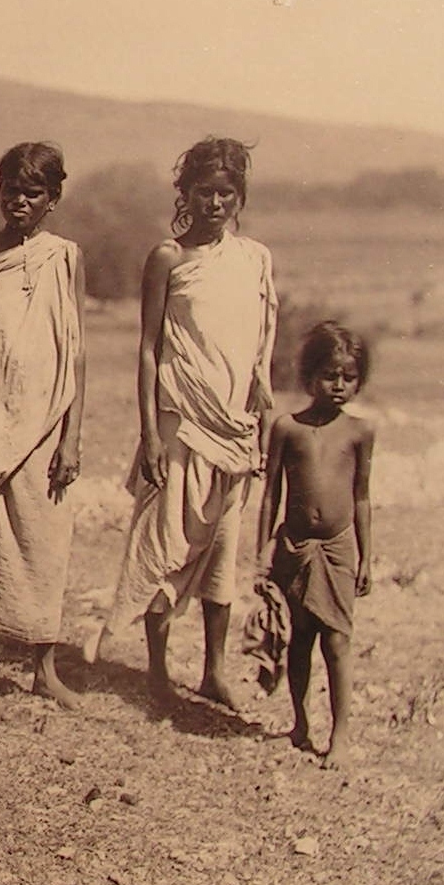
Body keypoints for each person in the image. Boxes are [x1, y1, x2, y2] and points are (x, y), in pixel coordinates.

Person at [89, 137, 276, 711]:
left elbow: (260, 353)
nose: (215, 203)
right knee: (164, 545)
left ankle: (215, 672)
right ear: (185, 194)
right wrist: (149, 433)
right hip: (179, 426)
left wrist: (260, 424)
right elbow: (148, 349)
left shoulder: (254, 259)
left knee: (223, 552)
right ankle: (157, 673)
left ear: (238, 197)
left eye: (226, 192)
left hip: (235, 428)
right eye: (204, 192)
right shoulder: (168, 257)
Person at [0, 143, 86, 719]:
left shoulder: (68, 258)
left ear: (52, 198)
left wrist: (72, 436)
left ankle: (43, 668)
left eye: (33, 192)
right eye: (11, 188)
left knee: (46, 544)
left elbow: (76, 351)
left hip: (47, 426)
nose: (20, 201)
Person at [256, 322, 374, 768]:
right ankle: (301, 722)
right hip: (295, 547)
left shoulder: (361, 431)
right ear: (308, 377)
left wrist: (365, 558)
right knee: (300, 638)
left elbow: (362, 497)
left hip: (338, 549)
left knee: (338, 642)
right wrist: (261, 555)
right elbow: (270, 494)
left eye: (348, 376)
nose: (338, 385)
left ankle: (340, 736)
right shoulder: (287, 428)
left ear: (360, 379)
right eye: (329, 375)